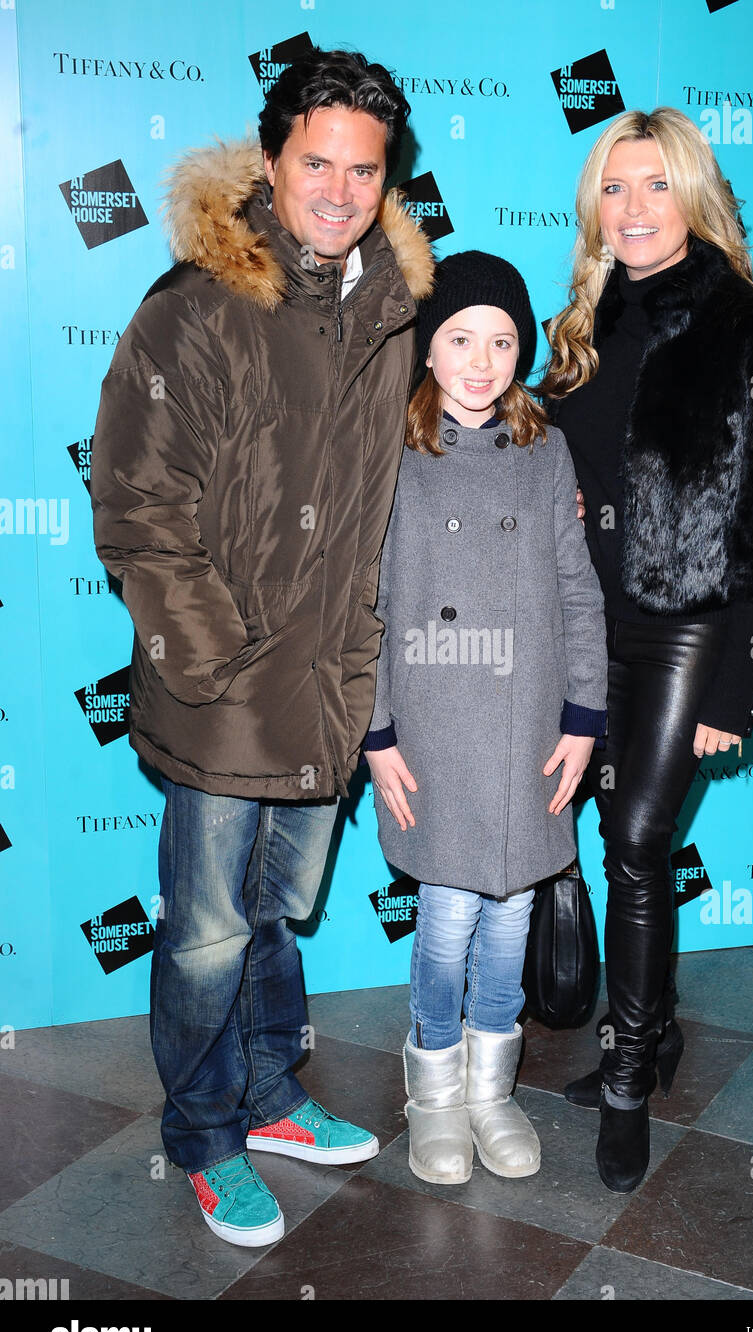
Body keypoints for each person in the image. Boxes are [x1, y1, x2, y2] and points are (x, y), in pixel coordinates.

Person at [91, 49, 434, 1246]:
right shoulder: (197, 305)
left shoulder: (391, 312)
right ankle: (203, 1136)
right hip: (227, 688)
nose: (338, 191)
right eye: (315, 162)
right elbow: (138, 506)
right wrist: (214, 660)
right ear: (272, 161)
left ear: (388, 181)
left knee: (278, 915)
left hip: (331, 679)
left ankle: (270, 1092)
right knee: (206, 931)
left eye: (363, 169)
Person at [539, 107, 753, 1193]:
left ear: (693, 196)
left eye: (655, 185)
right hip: (580, 623)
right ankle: (650, 1036)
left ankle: (623, 1080)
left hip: (682, 628)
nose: (634, 208)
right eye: (614, 188)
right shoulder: (579, 325)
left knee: (639, 842)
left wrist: (740, 679)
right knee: (604, 831)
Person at [362, 252, 608, 1184]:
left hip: (532, 731)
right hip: (430, 728)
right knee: (447, 917)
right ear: (428, 350)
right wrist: (376, 735)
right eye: (461, 338)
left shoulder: (545, 450)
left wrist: (583, 716)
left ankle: (491, 1092)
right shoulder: (392, 453)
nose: (481, 360)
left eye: (502, 341)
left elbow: (577, 589)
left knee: (510, 919)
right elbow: (364, 606)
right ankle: (432, 1094)